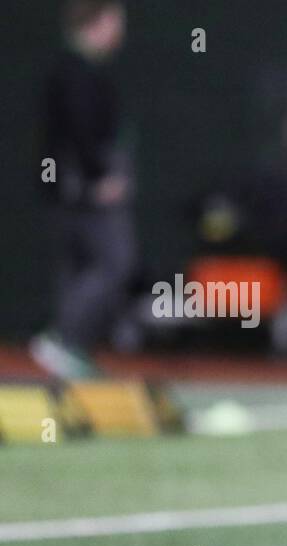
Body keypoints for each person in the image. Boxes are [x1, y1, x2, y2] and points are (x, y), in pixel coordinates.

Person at [33, 0, 135, 380]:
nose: (120, 31)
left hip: (69, 192)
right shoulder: (76, 73)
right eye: (115, 22)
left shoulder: (83, 71)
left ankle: (67, 352)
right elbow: (79, 131)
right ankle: (62, 340)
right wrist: (97, 178)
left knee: (78, 270)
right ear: (97, 23)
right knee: (114, 262)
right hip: (81, 192)